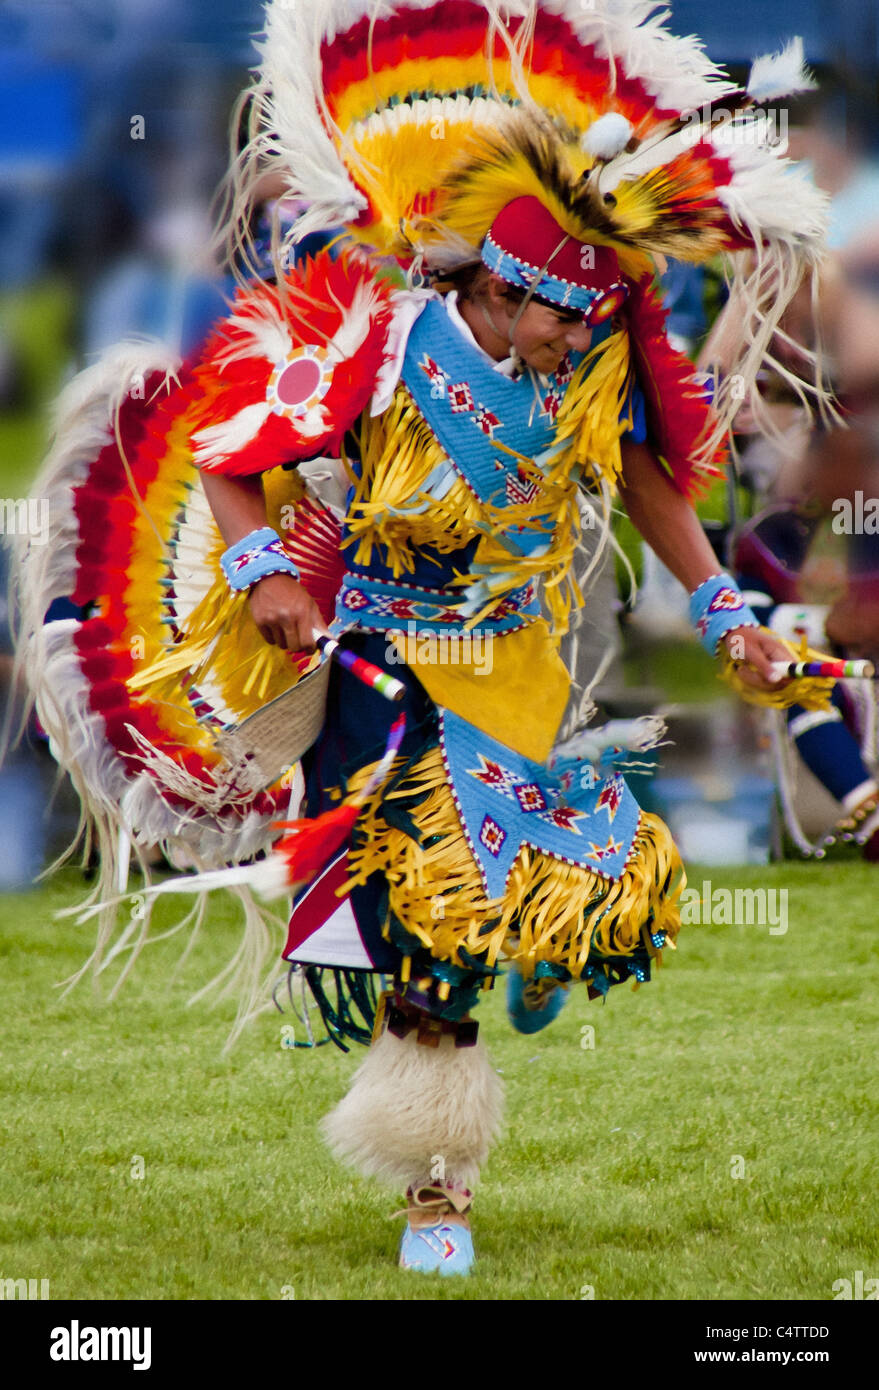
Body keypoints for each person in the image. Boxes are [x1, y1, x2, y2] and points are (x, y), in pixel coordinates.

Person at [14, 1, 840, 1277]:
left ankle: (502, 964)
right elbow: (235, 457)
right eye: (563, 323)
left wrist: (727, 610)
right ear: (503, 294)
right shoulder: (370, 346)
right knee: (423, 926)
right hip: (376, 669)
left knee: (594, 894)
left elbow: (650, 473)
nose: (579, 345)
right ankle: (436, 1191)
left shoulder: (594, 351)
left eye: (591, 328)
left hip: (513, 664)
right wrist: (259, 573)